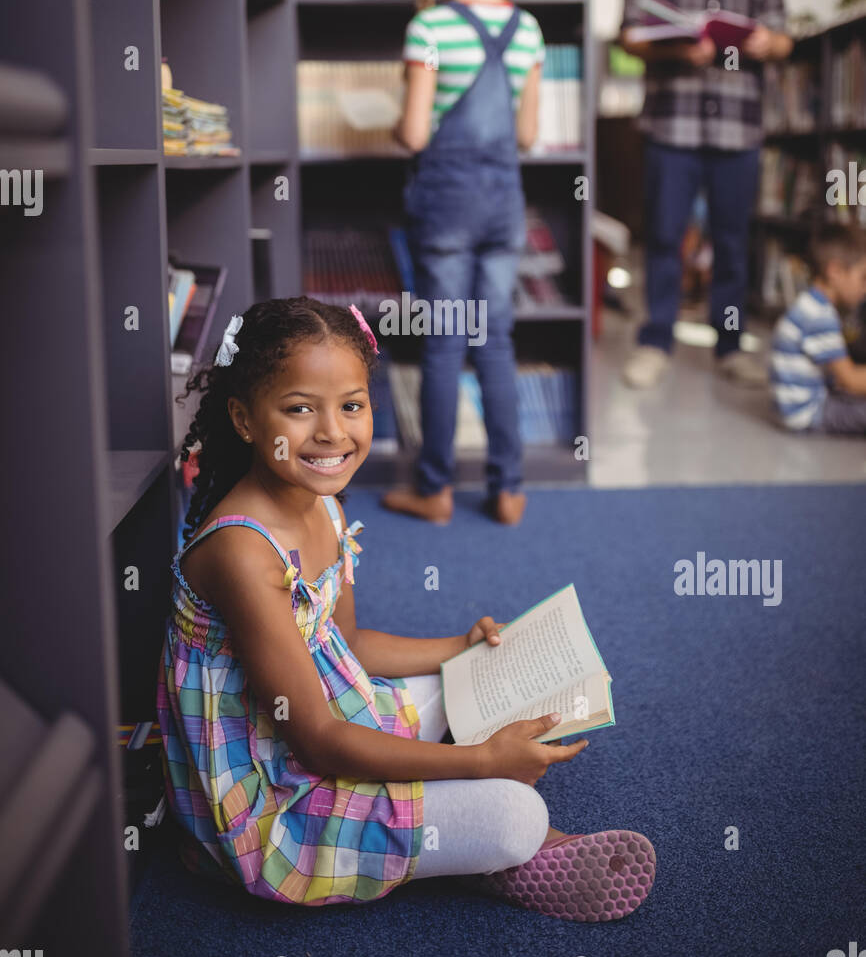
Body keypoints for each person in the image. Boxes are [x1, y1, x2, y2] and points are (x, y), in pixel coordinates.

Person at [157, 298, 656, 921]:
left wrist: (459, 649)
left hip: (331, 716)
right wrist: (480, 764)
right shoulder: (243, 552)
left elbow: (351, 646)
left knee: (474, 684)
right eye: (299, 409)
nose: (333, 432)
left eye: (352, 406)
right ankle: (503, 853)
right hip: (273, 796)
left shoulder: (325, 506)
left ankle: (445, 836)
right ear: (245, 419)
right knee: (516, 814)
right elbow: (317, 743)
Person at [381, 0, 544, 527]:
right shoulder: (527, 28)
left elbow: (415, 135)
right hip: (504, 203)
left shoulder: (429, 27)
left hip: (446, 205)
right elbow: (528, 136)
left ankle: (435, 490)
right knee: (495, 341)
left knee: (446, 344)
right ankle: (507, 489)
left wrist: (390, 122)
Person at [619, 0, 794, 389]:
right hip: (673, 126)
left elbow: (787, 41)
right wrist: (677, 49)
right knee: (666, 236)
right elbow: (630, 37)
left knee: (733, 241)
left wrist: (766, 41)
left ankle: (729, 345)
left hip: (738, 128)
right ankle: (656, 341)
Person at [770, 224, 866, 432]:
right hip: (807, 412)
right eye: (863, 278)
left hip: (796, 404)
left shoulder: (811, 305)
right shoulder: (819, 317)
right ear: (835, 272)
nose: (864, 289)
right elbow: (850, 379)